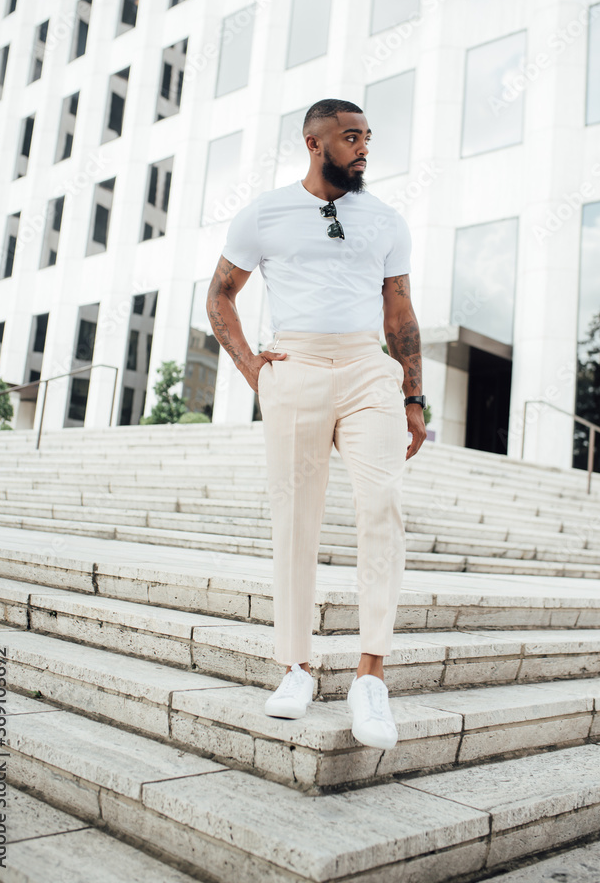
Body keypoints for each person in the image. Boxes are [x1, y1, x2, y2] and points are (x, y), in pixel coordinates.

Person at [206, 98, 426, 751]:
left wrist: (414, 397)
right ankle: (296, 667)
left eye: (368, 137)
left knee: (381, 506)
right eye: (350, 137)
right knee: (294, 515)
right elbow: (220, 293)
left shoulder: (386, 220)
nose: (363, 148)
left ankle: (371, 675)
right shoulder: (264, 214)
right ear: (313, 143)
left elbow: (400, 312)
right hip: (293, 363)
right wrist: (255, 371)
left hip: (366, 368)